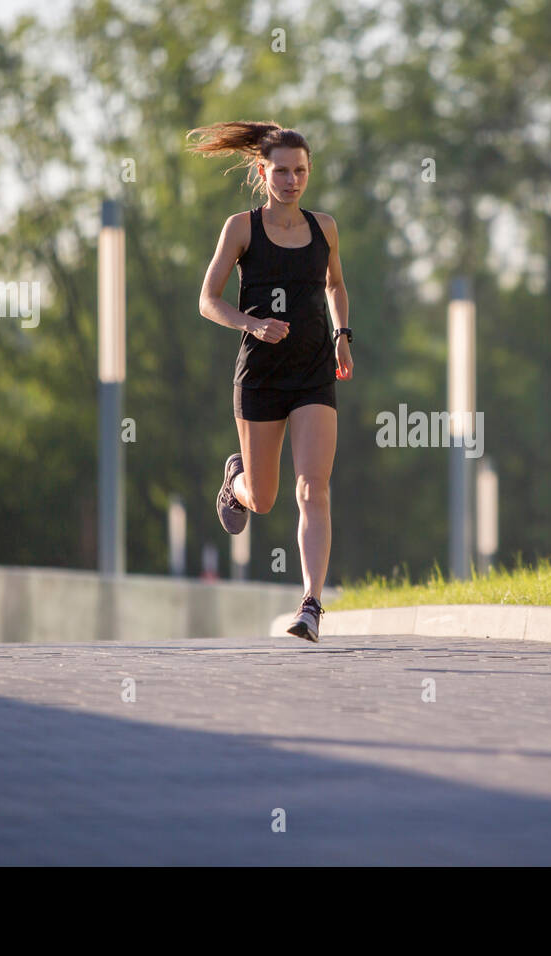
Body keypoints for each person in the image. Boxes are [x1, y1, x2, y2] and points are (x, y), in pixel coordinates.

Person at [190, 120, 353, 642]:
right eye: (281, 171)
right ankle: (234, 483)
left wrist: (342, 334)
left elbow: (335, 284)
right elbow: (207, 299)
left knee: (314, 487)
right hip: (260, 376)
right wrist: (251, 323)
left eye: (300, 171)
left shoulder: (323, 227)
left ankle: (310, 605)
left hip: (312, 373)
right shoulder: (242, 228)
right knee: (263, 499)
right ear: (263, 173)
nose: (291, 180)